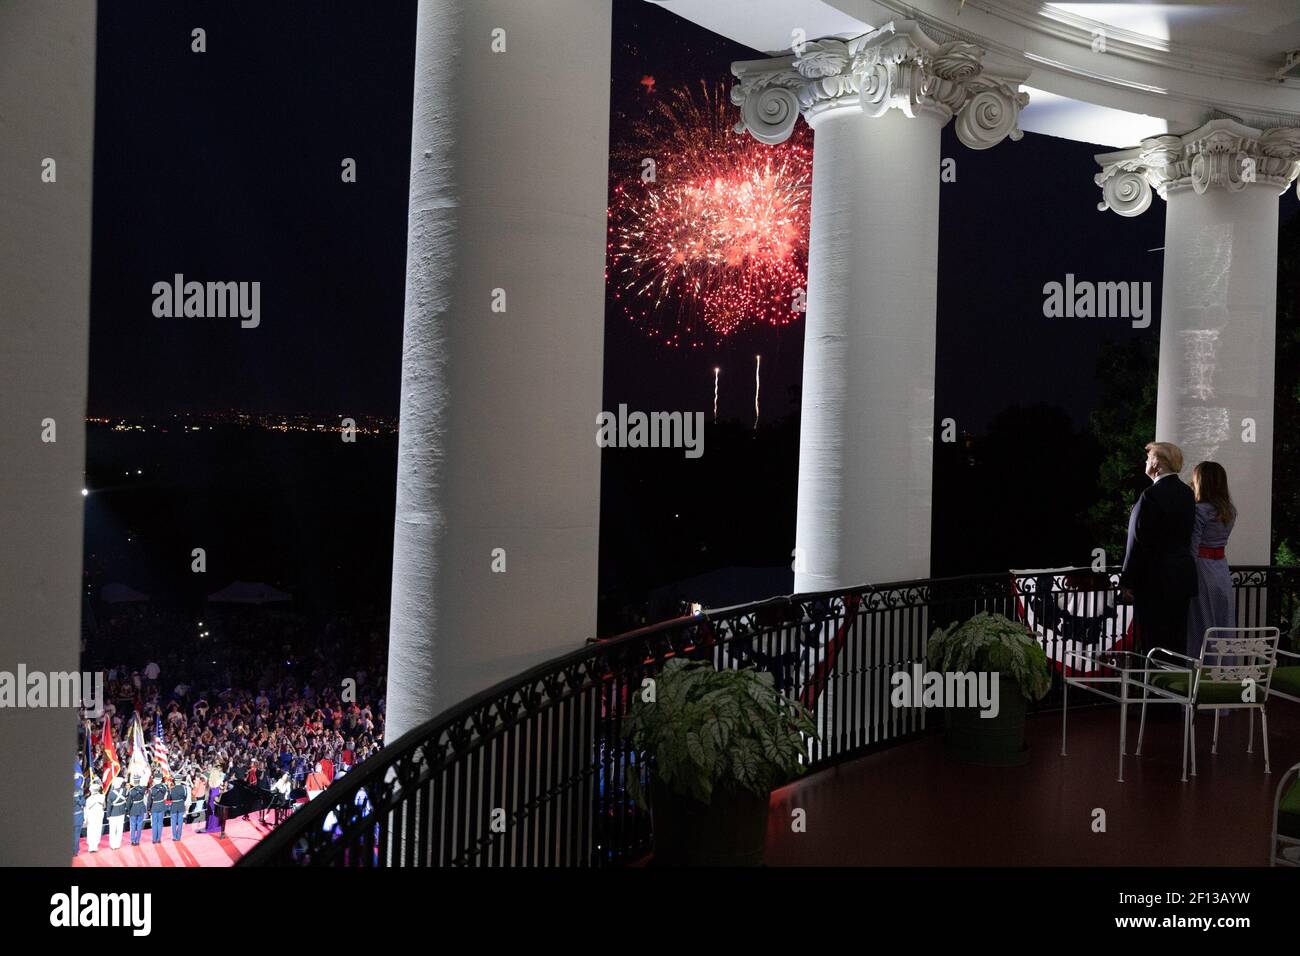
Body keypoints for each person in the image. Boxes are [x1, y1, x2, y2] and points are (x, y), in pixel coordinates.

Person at [1120, 441, 1197, 655]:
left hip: (1154, 581)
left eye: (1148, 458)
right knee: (1176, 642)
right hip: (1181, 578)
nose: (1145, 461)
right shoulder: (1187, 494)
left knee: (1153, 643)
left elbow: (1136, 542)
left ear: (1157, 463)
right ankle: (1176, 686)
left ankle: (1155, 688)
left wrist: (1127, 580)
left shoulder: (1150, 496)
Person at [1187, 461, 1237, 659]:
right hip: (1221, 568)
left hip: (1202, 568)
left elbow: (1193, 545)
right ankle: (1224, 668)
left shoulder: (1199, 511)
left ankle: (1203, 670)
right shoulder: (1230, 511)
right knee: (1223, 620)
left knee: (1201, 622)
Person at [84, 780, 106, 853]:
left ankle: (91, 846)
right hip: (98, 816)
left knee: (91, 831)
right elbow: (104, 806)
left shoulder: (89, 799)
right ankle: (95, 846)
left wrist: (85, 819)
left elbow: (86, 810)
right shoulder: (102, 797)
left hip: (92, 817)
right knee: (97, 830)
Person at [106, 777, 128, 849]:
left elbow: (109, 806)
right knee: (119, 829)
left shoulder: (111, 793)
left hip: (113, 813)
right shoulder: (124, 790)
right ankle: (118, 844)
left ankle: (113, 845)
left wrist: (108, 815)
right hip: (121, 812)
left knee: (112, 830)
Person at [126, 778, 147, 846]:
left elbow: (128, 803)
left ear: (134, 782)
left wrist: (128, 812)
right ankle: (137, 840)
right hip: (141, 808)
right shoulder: (143, 789)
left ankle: (133, 840)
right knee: (139, 825)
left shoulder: (131, 791)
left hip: (134, 809)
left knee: (132, 825)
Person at [148, 774, 168, 844]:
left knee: (154, 823)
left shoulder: (152, 789)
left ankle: (154, 839)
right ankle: (159, 839)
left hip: (154, 807)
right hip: (161, 806)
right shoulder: (164, 788)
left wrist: (148, 809)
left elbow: (149, 801)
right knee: (160, 823)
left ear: (155, 780)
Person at [168, 774, 189, 841]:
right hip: (181, 805)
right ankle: (178, 836)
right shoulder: (184, 788)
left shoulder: (171, 789)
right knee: (180, 822)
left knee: (173, 822)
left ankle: (174, 836)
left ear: (175, 781)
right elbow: (185, 798)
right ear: (180, 780)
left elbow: (169, 799)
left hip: (174, 806)